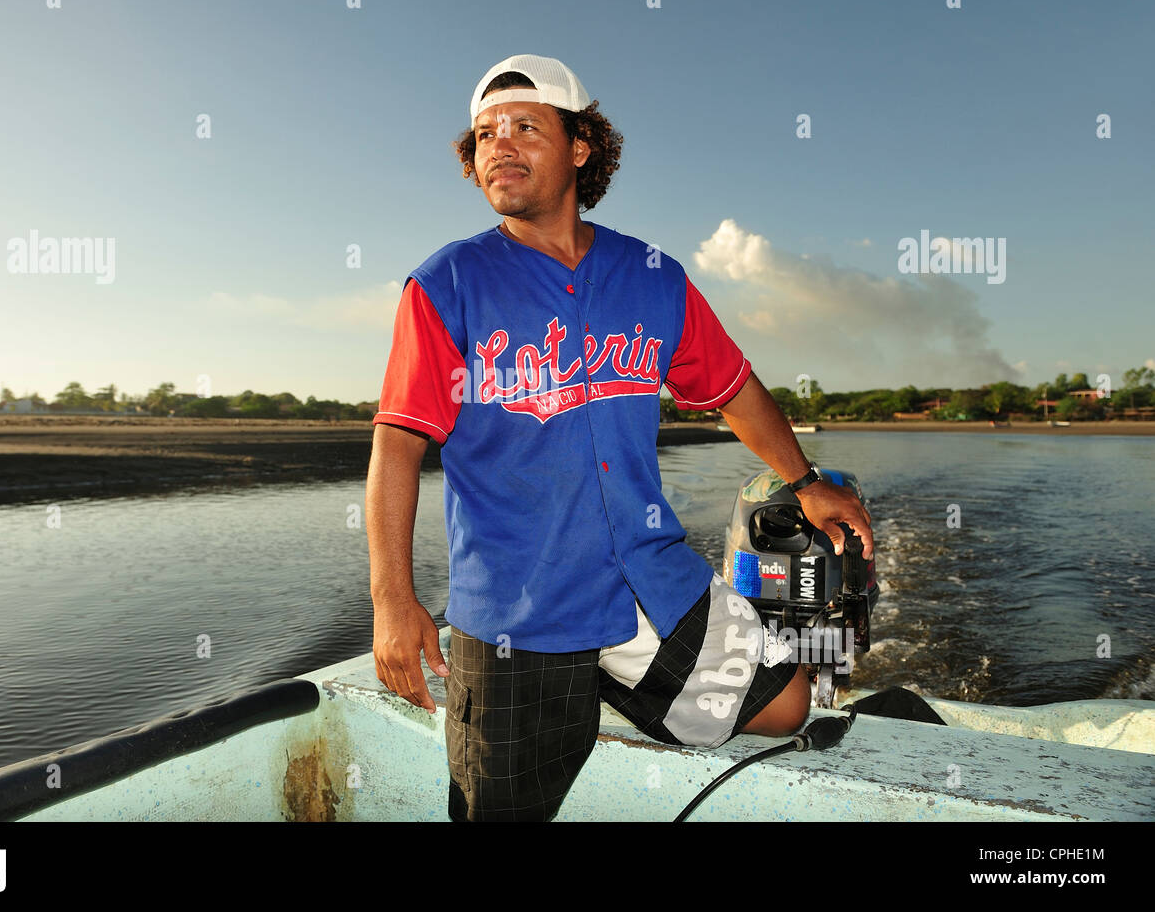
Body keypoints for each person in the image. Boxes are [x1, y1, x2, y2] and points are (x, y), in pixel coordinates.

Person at [366, 54, 874, 822]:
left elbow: (733, 387)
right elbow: (398, 443)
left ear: (580, 148)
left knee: (789, 705)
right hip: (519, 610)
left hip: (645, 580)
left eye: (524, 127)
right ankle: (592, 686)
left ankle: (619, 677)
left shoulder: (653, 276)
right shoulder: (446, 284)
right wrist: (392, 600)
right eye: (482, 136)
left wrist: (805, 483)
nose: (497, 146)